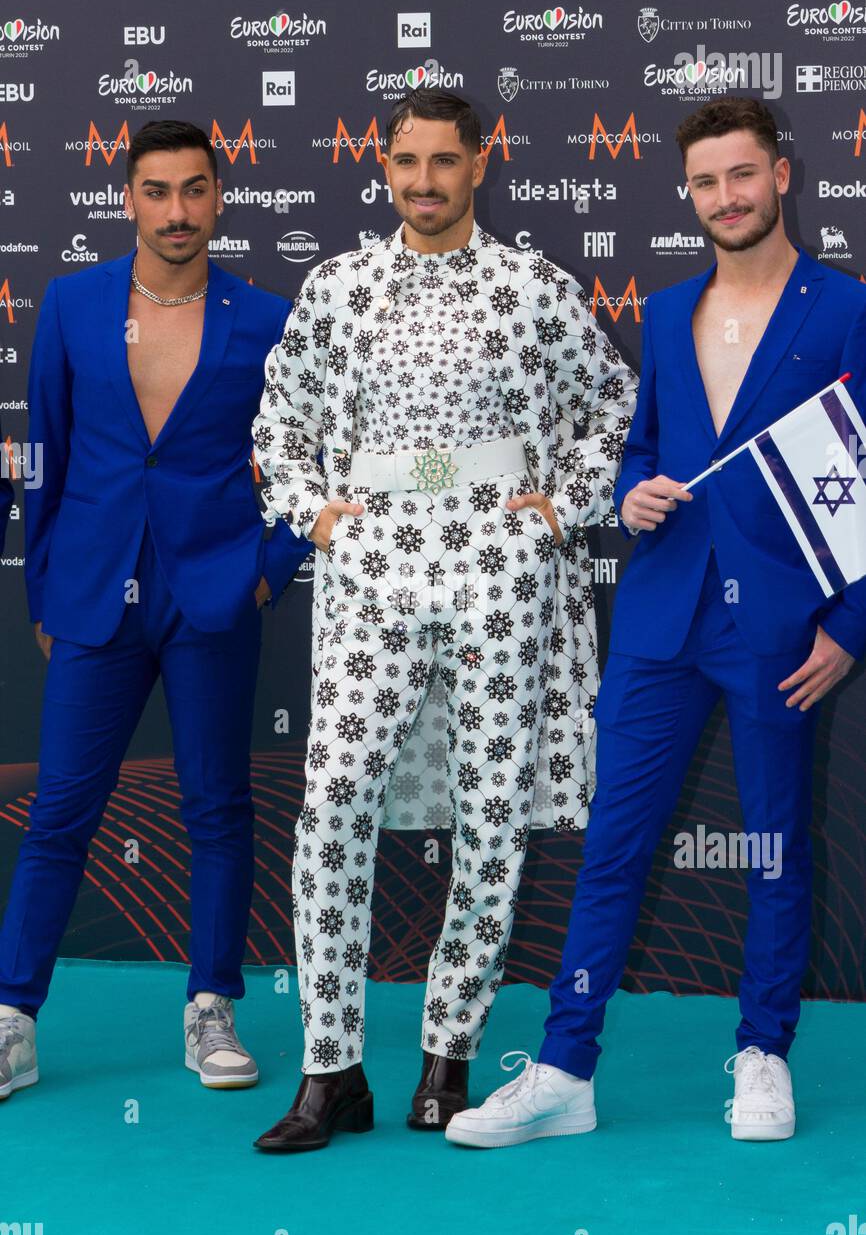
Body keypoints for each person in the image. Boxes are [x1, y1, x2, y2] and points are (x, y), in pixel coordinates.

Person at [445, 96, 866, 1149]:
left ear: (780, 176)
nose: (723, 198)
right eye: (703, 183)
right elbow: (642, 449)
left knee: (773, 842)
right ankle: (562, 1068)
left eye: (739, 176)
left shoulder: (842, 309)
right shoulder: (670, 309)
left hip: (777, 622)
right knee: (612, 848)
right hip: (658, 615)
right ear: (688, 195)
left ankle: (762, 1052)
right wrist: (628, 493)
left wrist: (851, 623)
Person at [250, 88, 637, 1152]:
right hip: (370, 566)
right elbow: (277, 418)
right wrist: (313, 514)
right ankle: (331, 1069)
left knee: (489, 811)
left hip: (496, 568)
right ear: (384, 166)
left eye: (443, 162)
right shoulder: (339, 287)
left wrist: (562, 504)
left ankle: (447, 1057)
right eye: (406, 162)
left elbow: (612, 399)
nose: (423, 182)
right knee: (329, 801)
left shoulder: (530, 286)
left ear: (480, 164)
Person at [0, 120, 311, 1103]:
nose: (177, 211)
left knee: (218, 806)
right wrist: (42, 584)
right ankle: (12, 1017)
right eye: (157, 191)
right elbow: (43, 448)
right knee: (59, 814)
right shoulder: (73, 304)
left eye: (194, 190)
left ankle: (211, 1005)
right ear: (127, 199)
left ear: (219, 197)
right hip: (93, 592)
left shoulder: (265, 318)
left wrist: (267, 568)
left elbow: (316, 463)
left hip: (212, 594)